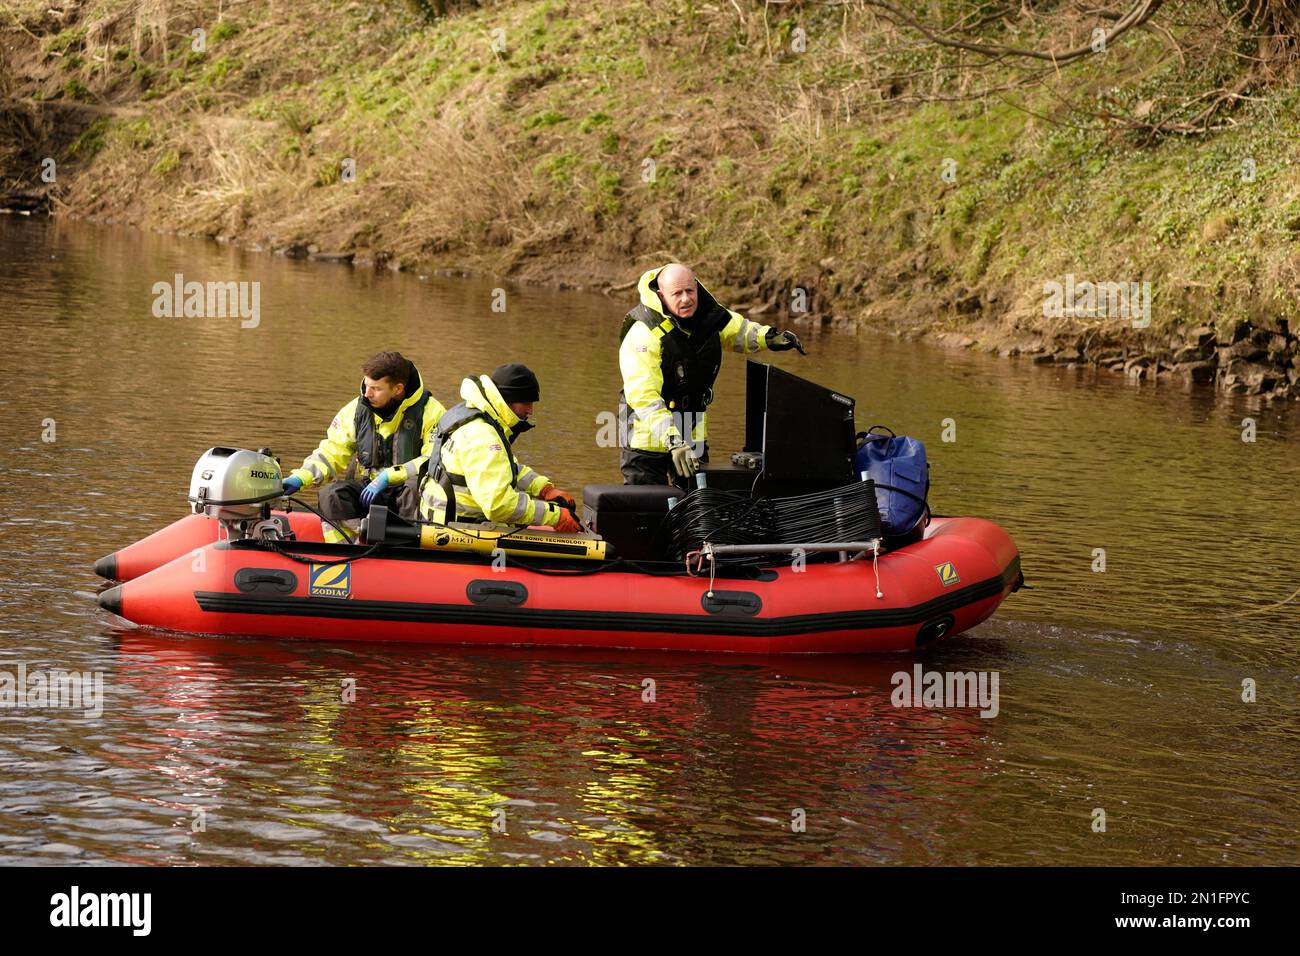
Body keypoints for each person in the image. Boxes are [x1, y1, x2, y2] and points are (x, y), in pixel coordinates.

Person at [617, 262, 806, 486]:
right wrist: (673, 441)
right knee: (646, 512)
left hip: (691, 431)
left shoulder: (709, 316)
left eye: (690, 290)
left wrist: (769, 337)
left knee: (699, 508)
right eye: (677, 293)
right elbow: (643, 396)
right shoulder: (642, 334)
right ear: (661, 295)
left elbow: (738, 331)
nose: (686, 299)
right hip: (646, 439)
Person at [281, 351, 446, 542]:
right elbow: (332, 452)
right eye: (366, 386)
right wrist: (300, 478)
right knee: (331, 495)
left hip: (408, 492)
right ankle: (347, 551)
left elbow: (433, 459)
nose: (367, 394)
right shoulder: (355, 410)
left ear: (398, 389)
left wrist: (389, 476)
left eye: (375, 388)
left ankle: (407, 554)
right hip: (369, 490)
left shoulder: (432, 412)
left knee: (414, 492)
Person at [419, 363, 581, 533]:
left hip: (444, 522)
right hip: (458, 532)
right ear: (507, 399)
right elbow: (498, 504)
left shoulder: (476, 416)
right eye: (526, 403)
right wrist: (555, 516)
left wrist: (544, 489)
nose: (531, 411)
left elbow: (504, 467)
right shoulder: (483, 435)